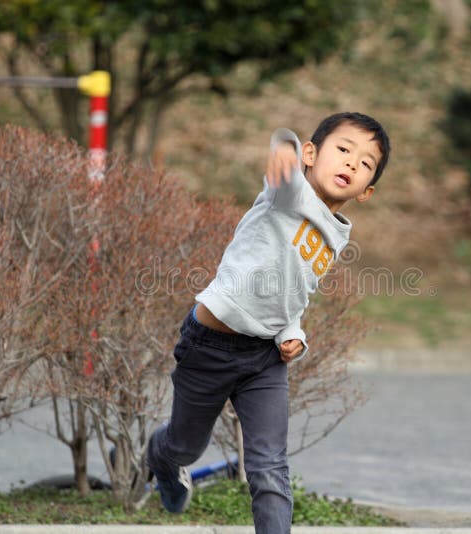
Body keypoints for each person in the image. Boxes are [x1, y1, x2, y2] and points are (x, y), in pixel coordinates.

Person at [146, 112, 391, 533]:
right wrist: (283, 148)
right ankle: (161, 457)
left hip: (264, 357)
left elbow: (296, 290)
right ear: (311, 155)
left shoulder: (336, 232)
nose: (351, 163)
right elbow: (283, 154)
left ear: (367, 191)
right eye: (344, 150)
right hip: (209, 345)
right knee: (186, 446)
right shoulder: (290, 193)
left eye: (365, 163)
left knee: (269, 468)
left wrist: (293, 332)